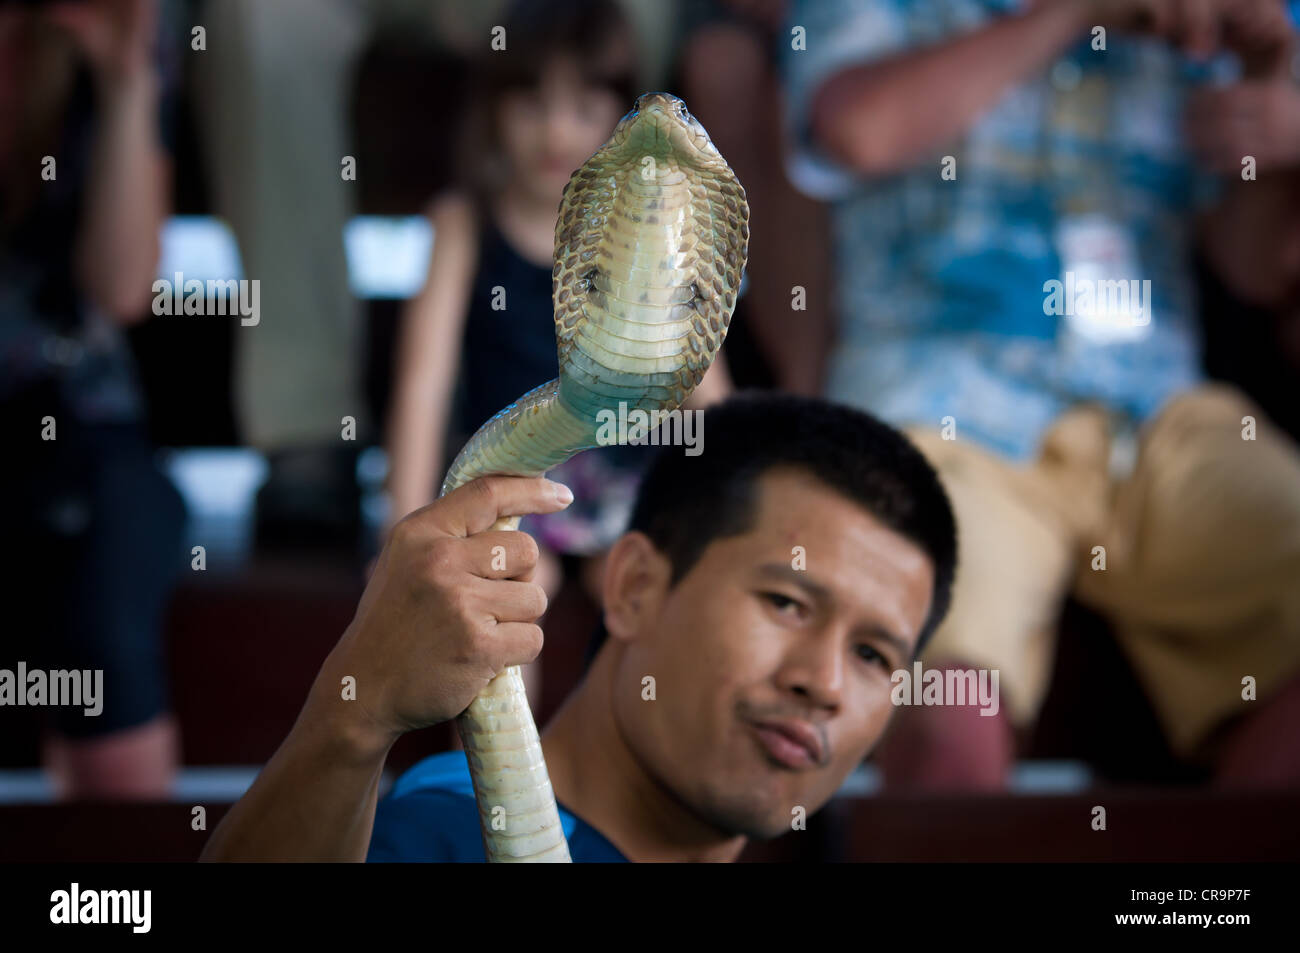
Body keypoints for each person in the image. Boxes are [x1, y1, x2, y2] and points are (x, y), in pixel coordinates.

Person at [780, 0, 1300, 787]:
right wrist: (1072, 12)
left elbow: (1257, 266)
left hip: (1157, 412)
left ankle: (1195, 912)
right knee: (951, 719)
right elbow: (858, 130)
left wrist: (1272, 111)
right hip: (941, 404)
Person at [198, 393, 957, 862]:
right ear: (632, 587)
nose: (822, 681)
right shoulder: (445, 836)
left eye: (871, 652)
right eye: (787, 603)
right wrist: (357, 713)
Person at [385, 0, 731, 615]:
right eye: (531, 104)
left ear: (619, 117)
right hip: (508, 486)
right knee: (517, 592)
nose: (555, 132)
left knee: (636, 594)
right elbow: (423, 386)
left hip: (624, 486)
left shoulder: (652, 236)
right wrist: (403, 541)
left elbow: (704, 392)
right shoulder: (463, 224)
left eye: (582, 107)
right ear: (493, 109)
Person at [0, 0, 184, 797]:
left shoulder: (109, 22)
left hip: (78, 422)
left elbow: (120, 287)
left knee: (103, 613)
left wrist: (125, 90)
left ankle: (116, 903)